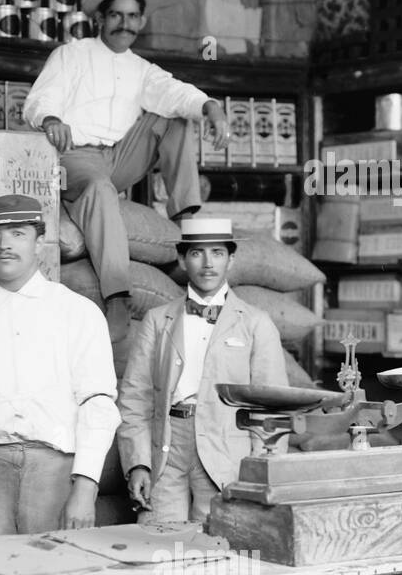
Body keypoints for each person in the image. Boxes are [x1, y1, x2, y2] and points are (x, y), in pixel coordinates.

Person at [22, 0, 230, 320]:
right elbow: (39, 100)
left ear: (142, 22)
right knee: (100, 189)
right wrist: (51, 120)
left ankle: (186, 218)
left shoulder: (142, 69)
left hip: (119, 157)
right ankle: (117, 296)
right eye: (116, 15)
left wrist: (211, 107)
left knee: (173, 117)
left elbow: (174, 92)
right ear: (100, 19)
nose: (125, 24)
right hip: (74, 156)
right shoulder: (71, 55)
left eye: (133, 16)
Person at [0, 194, 119, 539]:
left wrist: (85, 489)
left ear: (39, 243)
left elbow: (98, 405)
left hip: (55, 472)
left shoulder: (77, 313)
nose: (4, 244)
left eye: (17, 233)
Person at [117, 218, 287, 528]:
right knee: (160, 545)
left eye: (218, 253)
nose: (208, 263)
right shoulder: (157, 321)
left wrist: (262, 472)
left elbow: (272, 406)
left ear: (231, 259)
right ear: (182, 259)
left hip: (227, 451)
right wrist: (137, 464)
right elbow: (134, 398)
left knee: (219, 548)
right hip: (167, 448)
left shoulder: (255, 323)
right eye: (197, 253)